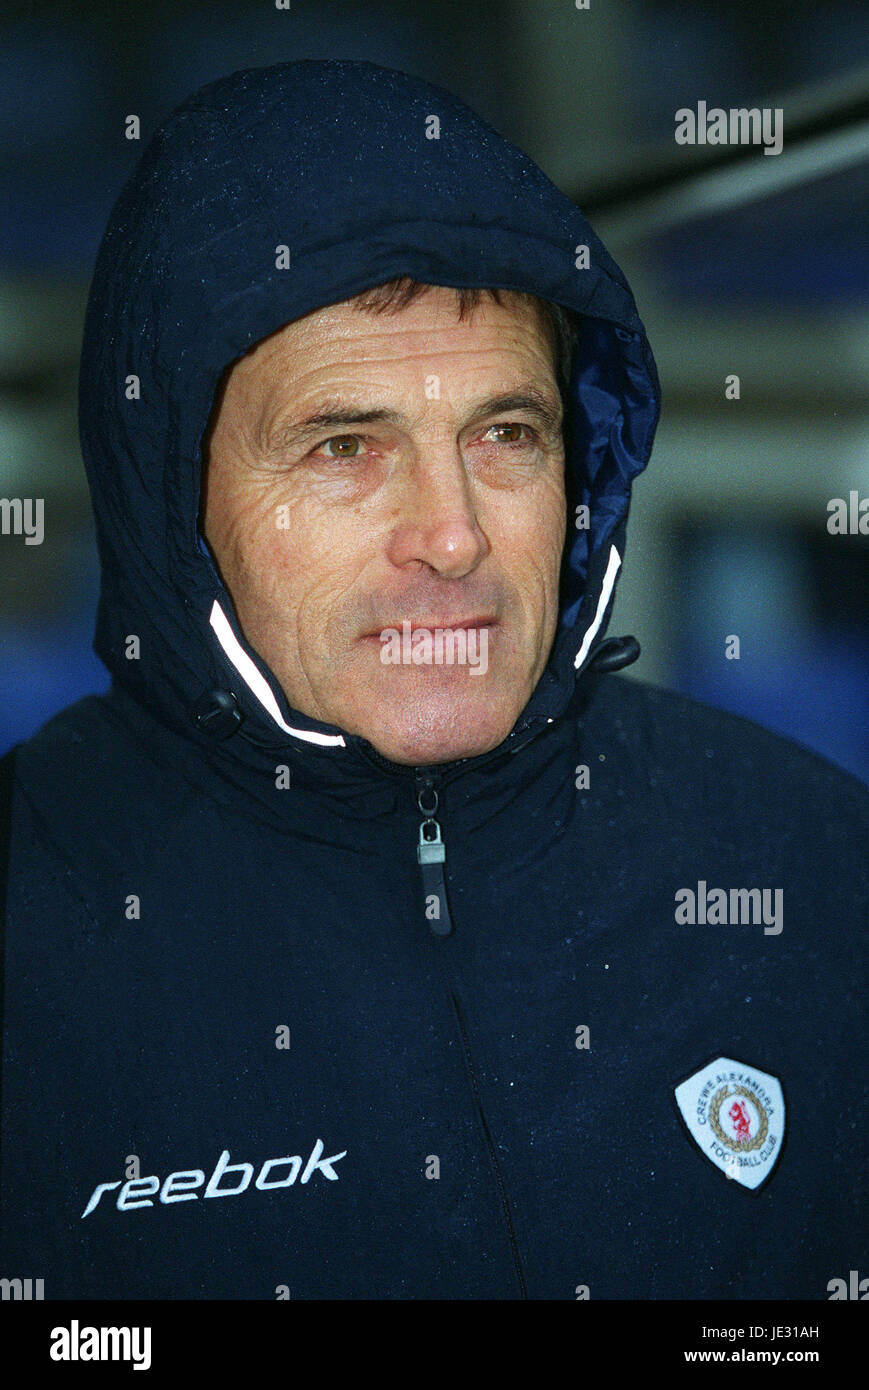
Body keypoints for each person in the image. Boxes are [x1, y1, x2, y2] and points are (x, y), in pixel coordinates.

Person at [0, 58, 865, 1301]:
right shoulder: (34, 928)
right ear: (171, 498)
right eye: (345, 447)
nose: (452, 534)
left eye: (503, 435)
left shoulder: (808, 861)